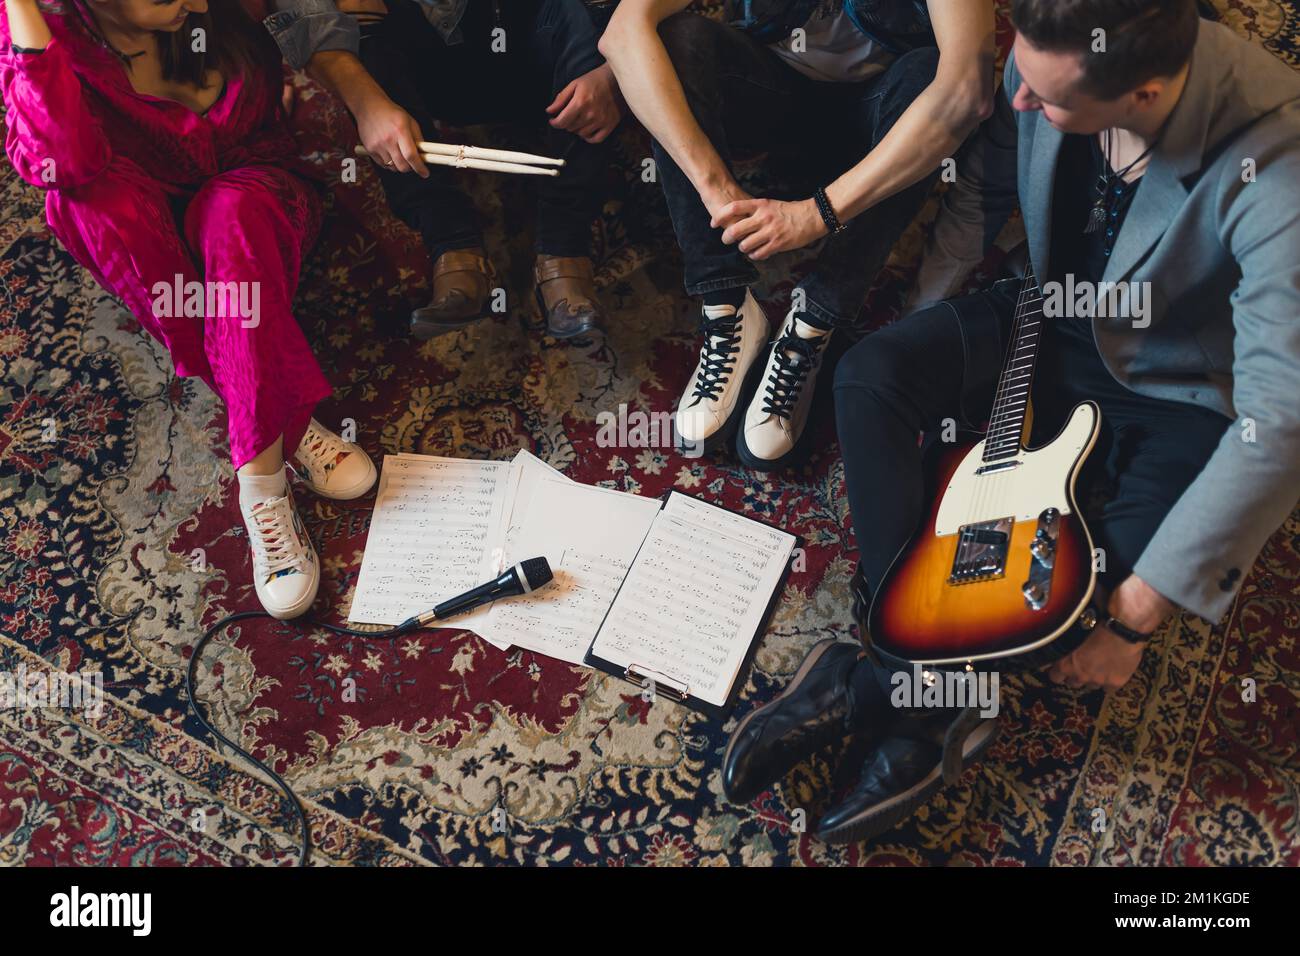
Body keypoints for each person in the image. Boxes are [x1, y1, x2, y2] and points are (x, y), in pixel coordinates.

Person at [723, 0, 1300, 843]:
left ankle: (868, 686)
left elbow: (1278, 424)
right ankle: (927, 683)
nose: (1018, 102)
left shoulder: (1276, 159)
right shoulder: (1047, 54)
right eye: (1019, 75)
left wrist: (1136, 617)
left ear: (1143, 94)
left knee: (1067, 608)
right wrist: (935, 319)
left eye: (1047, 98)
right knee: (870, 375)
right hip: (1047, 313)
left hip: (1176, 385)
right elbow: (990, 186)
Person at [1, 0, 377, 619]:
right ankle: (282, 423)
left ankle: (261, 480)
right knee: (83, 202)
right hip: (156, 231)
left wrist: (367, 100)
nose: (200, 4)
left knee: (231, 218)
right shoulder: (41, 26)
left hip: (257, 190)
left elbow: (312, 13)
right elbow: (59, 159)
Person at [598, 0, 995, 468]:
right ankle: (726, 306)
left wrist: (817, 214)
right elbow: (622, 33)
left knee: (932, 75)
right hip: (771, 93)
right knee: (679, 38)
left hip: (882, 119)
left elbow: (968, 89)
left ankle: (813, 321)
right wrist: (714, 186)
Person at [265, 0, 623, 339]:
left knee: (591, 13)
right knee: (364, 32)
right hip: (443, 64)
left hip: (548, 50)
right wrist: (367, 104)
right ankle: (452, 244)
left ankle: (565, 248)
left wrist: (614, 72)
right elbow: (308, 15)